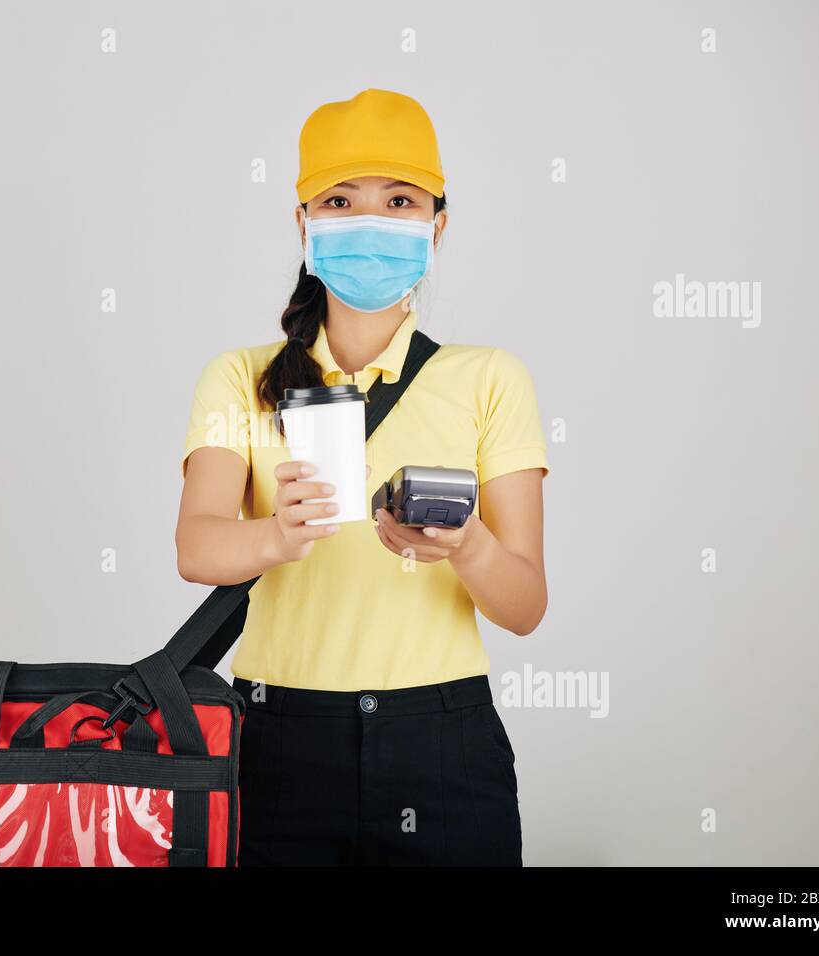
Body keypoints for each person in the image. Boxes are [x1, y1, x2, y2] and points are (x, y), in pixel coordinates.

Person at [176, 88, 549, 866]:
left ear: (437, 226)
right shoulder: (238, 377)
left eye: (400, 199)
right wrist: (276, 535)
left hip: (444, 745)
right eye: (340, 199)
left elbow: (525, 606)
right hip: (278, 745)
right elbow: (197, 549)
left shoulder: (490, 378)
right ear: (303, 222)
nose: (370, 221)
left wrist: (469, 546)